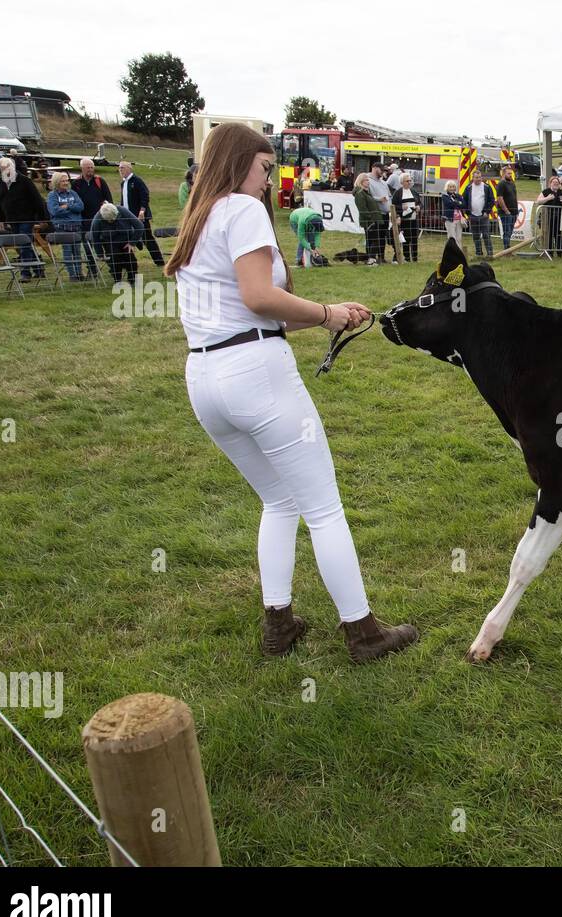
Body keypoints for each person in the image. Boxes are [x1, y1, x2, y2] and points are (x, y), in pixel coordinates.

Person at [164, 123, 418, 663]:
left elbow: (247, 310)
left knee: (278, 500)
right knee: (324, 508)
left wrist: (331, 315)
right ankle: (363, 632)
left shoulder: (198, 218)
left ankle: (279, 622)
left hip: (205, 378)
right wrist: (328, 315)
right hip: (255, 372)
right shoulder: (241, 209)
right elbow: (259, 299)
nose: (267, 180)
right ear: (237, 164)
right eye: (262, 168)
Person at [0, 157, 47, 280]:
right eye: (2, 168)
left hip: (26, 218)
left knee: (24, 244)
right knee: (23, 244)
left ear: (12, 167)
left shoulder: (25, 181)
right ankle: (39, 268)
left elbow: (37, 199)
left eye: (7, 167)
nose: (5, 170)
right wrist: (0, 219)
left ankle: (25, 273)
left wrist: (42, 218)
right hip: (12, 219)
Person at [72, 158, 113, 279]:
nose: (90, 169)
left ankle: (113, 267)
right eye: (87, 167)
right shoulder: (76, 183)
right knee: (87, 246)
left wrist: (104, 208)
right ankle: (92, 269)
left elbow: (109, 199)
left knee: (106, 244)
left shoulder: (100, 181)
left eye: (91, 167)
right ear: (82, 168)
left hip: (101, 219)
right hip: (84, 220)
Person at [118, 161, 164, 267]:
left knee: (147, 238)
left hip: (139, 216)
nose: (120, 170)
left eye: (122, 168)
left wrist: (142, 210)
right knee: (127, 237)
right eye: (119, 168)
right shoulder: (123, 183)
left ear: (129, 168)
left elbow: (145, 196)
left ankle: (159, 261)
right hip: (127, 217)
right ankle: (128, 262)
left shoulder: (137, 181)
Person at [46, 172, 86, 281]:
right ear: (57, 182)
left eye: (66, 180)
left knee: (77, 251)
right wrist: (72, 209)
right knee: (67, 251)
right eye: (63, 181)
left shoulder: (73, 193)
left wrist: (67, 206)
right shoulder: (52, 195)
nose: (65, 183)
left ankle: (79, 274)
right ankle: (72, 275)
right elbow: (54, 211)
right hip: (62, 227)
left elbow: (81, 207)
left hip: (76, 226)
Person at [89, 202, 143, 283]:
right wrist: (100, 253)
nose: (112, 221)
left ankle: (132, 281)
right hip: (109, 243)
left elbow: (139, 226)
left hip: (126, 241)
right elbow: (95, 237)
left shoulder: (122, 210)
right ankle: (117, 281)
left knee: (131, 261)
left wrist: (132, 243)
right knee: (115, 261)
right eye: (109, 220)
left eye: (114, 218)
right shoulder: (97, 218)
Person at [352, 173, 384, 266]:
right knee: (374, 240)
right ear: (361, 181)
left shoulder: (366, 192)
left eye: (368, 180)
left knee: (371, 239)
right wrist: (371, 219)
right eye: (366, 180)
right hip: (369, 221)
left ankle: (370, 258)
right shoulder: (360, 193)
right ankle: (371, 259)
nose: (368, 181)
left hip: (374, 219)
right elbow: (362, 209)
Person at [464, 169, 496, 258]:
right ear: (472, 178)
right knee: (476, 236)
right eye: (476, 177)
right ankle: (479, 253)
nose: (478, 179)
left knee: (486, 235)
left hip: (483, 216)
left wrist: (487, 211)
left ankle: (490, 253)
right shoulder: (468, 188)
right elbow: (465, 200)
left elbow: (491, 200)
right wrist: (468, 213)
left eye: (480, 177)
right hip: (473, 216)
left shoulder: (487, 187)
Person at [536, 174, 562, 258]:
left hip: (560, 217)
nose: (556, 183)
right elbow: (538, 201)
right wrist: (547, 199)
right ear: (550, 183)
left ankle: (560, 252)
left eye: (557, 182)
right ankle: (549, 252)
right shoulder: (546, 191)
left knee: (559, 235)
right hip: (548, 217)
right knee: (549, 234)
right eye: (554, 182)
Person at [392, 172, 419, 262]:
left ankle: (415, 258)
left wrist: (419, 207)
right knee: (406, 239)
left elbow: (419, 203)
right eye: (407, 181)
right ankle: (407, 257)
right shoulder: (398, 193)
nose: (409, 182)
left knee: (414, 239)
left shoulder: (414, 191)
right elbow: (393, 205)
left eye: (410, 180)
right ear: (402, 182)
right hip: (404, 220)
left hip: (414, 219)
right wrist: (401, 207)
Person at [495, 165, 518, 250]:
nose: (510, 175)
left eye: (511, 173)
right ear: (503, 174)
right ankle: (506, 249)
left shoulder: (512, 183)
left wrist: (516, 211)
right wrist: (506, 210)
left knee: (510, 231)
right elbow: (500, 198)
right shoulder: (501, 184)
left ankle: (508, 248)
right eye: (508, 173)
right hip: (505, 212)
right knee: (507, 231)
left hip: (514, 212)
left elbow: (514, 196)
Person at [441, 179, 467, 249]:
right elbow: (449, 204)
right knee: (452, 238)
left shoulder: (458, 195)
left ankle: (459, 254)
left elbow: (464, 204)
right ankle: (452, 254)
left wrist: (456, 203)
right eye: (450, 187)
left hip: (459, 220)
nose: (452, 188)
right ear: (447, 187)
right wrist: (458, 203)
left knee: (459, 238)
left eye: (453, 186)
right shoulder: (444, 196)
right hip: (450, 220)